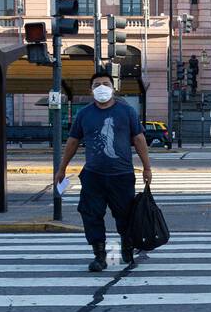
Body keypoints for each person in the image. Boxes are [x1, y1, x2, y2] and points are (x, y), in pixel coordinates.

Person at [54, 71, 154, 273]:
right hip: (93, 175)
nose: (102, 87)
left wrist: (147, 167)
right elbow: (73, 142)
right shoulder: (84, 114)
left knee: (125, 215)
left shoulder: (127, 112)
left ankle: (127, 245)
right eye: (97, 84)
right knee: (91, 214)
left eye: (106, 83)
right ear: (91, 90)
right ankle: (99, 256)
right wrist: (62, 168)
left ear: (113, 87)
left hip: (122, 175)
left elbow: (139, 139)